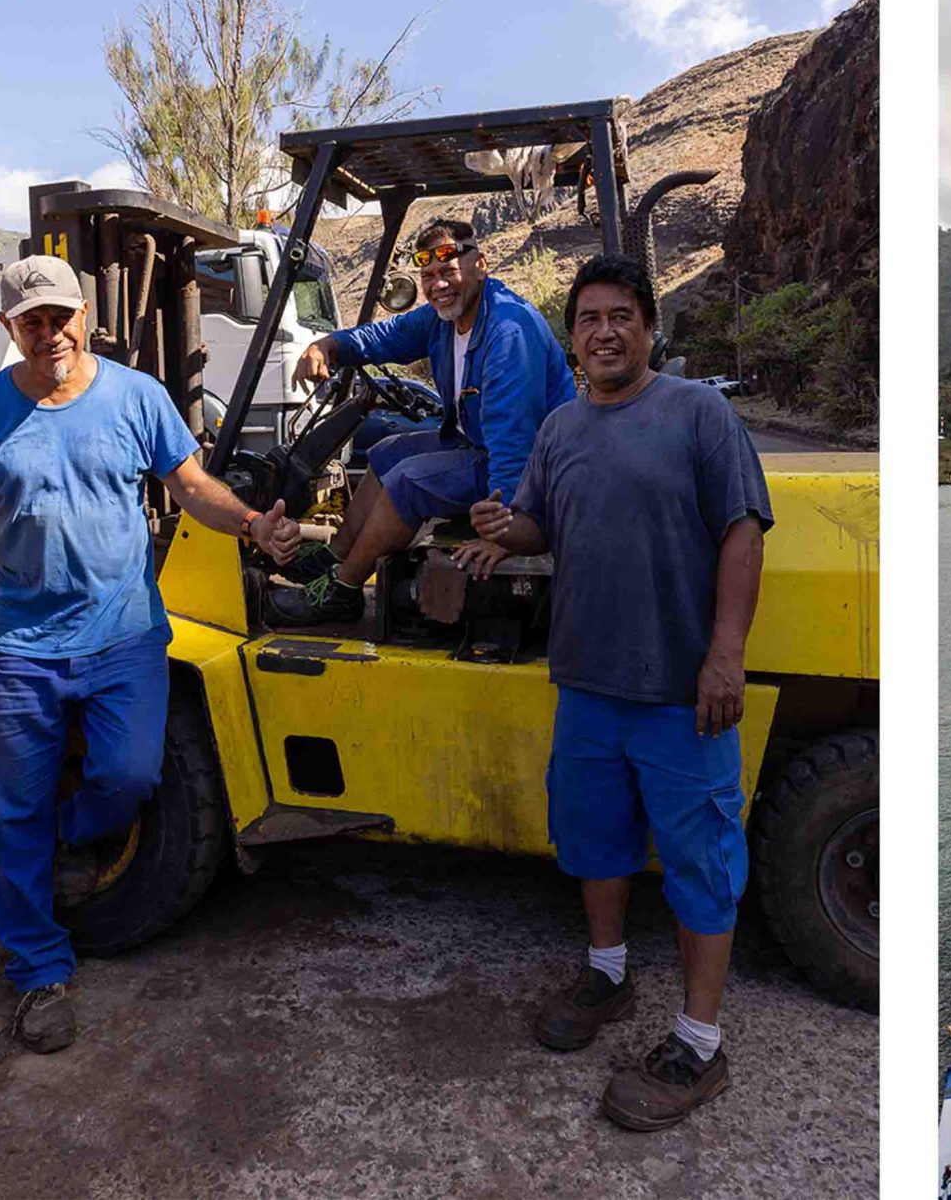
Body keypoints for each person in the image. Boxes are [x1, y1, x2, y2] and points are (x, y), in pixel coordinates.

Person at [0, 256, 302, 1054]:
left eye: (60, 317)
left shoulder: (138, 397)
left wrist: (253, 523)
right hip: (22, 647)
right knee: (9, 812)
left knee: (128, 776)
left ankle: (59, 840)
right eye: (32, 322)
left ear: (85, 314)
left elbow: (190, 484)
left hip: (123, 638)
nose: (50, 335)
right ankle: (40, 970)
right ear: (9, 328)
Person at [455, 254, 771, 1131]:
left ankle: (699, 1046)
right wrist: (500, 531)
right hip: (588, 684)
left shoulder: (699, 414)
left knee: (703, 863)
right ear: (574, 336)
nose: (605, 331)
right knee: (594, 841)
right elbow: (541, 526)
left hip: (681, 692)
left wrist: (725, 656)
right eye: (590, 318)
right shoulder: (559, 429)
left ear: (648, 327)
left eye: (621, 316)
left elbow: (743, 536)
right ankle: (607, 971)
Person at [268, 217, 573, 626]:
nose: (437, 285)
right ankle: (335, 552)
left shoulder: (508, 333)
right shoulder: (441, 321)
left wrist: (509, 530)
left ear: (479, 266)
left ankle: (343, 589)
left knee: (409, 480)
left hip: (535, 472)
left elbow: (513, 443)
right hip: (480, 446)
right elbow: (385, 336)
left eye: (448, 272)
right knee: (387, 453)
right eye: (428, 276)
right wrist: (331, 344)